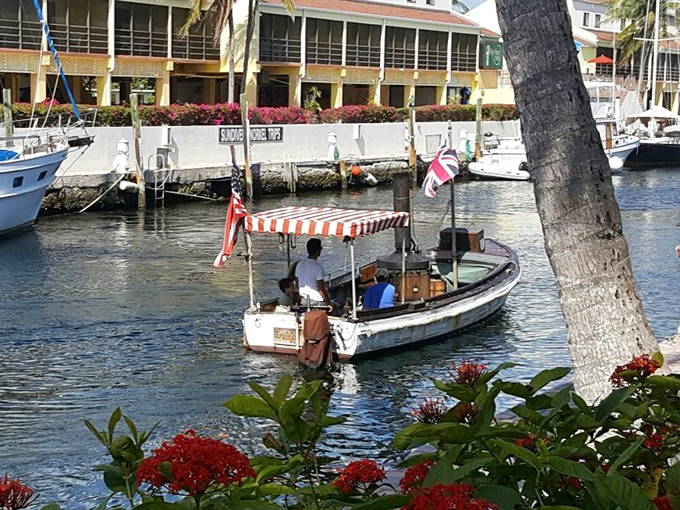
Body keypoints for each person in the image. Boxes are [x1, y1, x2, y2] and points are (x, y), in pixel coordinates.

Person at [295, 238, 331, 307]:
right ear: (318, 251)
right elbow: (321, 288)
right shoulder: (318, 267)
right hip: (316, 301)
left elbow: (297, 282)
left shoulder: (300, 264)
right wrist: (328, 303)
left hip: (303, 299)